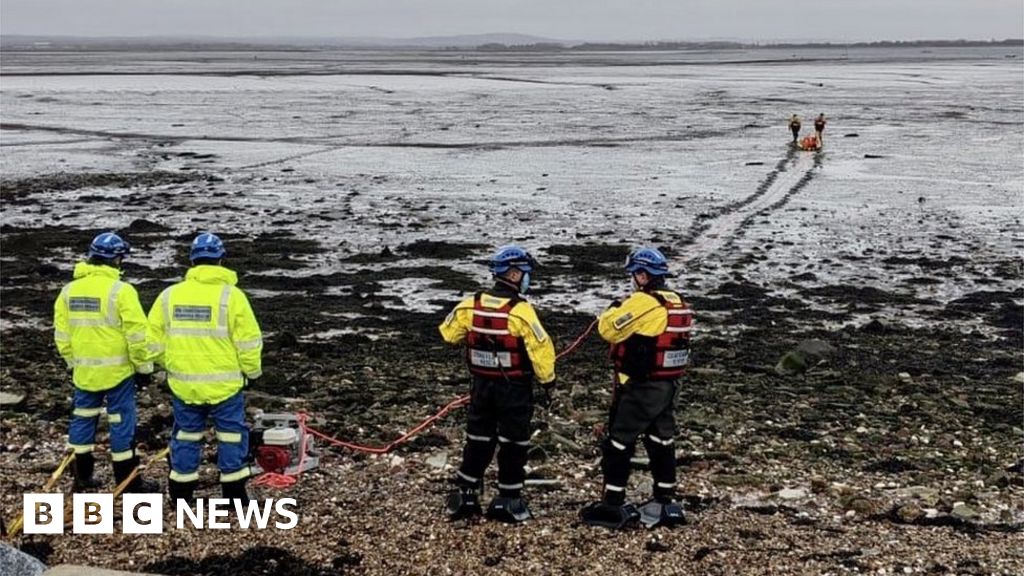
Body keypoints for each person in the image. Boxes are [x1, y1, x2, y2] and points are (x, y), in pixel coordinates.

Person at [439, 245, 556, 523]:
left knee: (478, 438)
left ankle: (467, 494)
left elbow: (448, 333)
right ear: (514, 275)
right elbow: (541, 349)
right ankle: (508, 497)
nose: (528, 279)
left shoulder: (471, 304)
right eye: (526, 273)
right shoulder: (521, 312)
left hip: (481, 386)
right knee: (514, 442)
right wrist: (548, 381)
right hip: (513, 388)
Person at [580, 247, 694, 530]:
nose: (633, 279)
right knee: (661, 439)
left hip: (642, 384)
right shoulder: (677, 301)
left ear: (642, 275)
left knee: (619, 441)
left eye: (634, 274)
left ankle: (612, 503)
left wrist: (614, 310)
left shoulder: (643, 302)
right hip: (669, 384)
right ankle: (665, 498)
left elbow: (608, 329)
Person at [147, 233, 263, 504]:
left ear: (192, 261)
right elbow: (248, 342)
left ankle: (180, 496)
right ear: (221, 260)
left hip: (184, 384)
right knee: (232, 436)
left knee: (185, 437)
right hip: (225, 386)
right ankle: (235, 497)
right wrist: (252, 372)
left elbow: (152, 342)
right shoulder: (232, 297)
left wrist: (170, 366)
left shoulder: (169, 296)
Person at [53, 232, 157, 492]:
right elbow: (137, 335)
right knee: (122, 424)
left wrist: (72, 363)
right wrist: (144, 367)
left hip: (85, 372)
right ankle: (128, 483)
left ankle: (82, 476)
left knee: (82, 420)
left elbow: (62, 335)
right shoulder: (122, 292)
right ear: (117, 259)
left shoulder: (68, 292)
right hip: (118, 372)